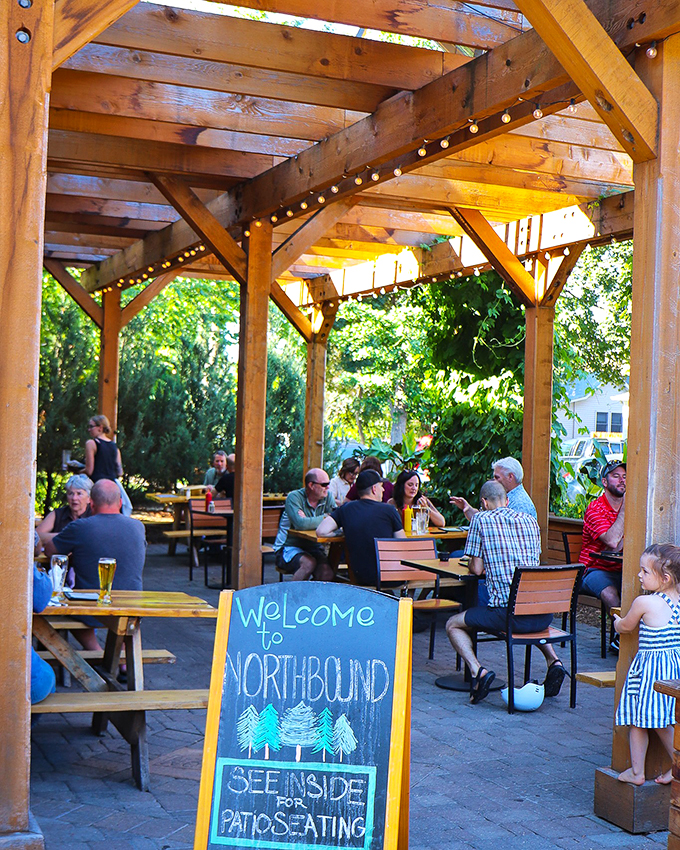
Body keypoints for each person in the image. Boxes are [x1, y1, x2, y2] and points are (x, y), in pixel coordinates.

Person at [444, 480, 565, 704]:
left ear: (483, 503)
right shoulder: (529, 520)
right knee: (527, 607)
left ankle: (477, 671)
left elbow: (477, 569)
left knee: (452, 623)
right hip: (542, 615)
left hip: (509, 617)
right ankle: (554, 661)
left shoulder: (480, 519)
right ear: (507, 501)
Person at [45, 479, 146, 652]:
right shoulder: (138, 526)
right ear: (120, 503)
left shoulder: (79, 527)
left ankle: (96, 652)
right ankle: (120, 658)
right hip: (131, 607)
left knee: (68, 614)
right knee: (123, 622)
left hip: (90, 608)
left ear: (91, 503)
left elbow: (49, 551)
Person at [614, 544, 680, 786]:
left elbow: (626, 626)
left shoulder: (645, 602)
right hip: (674, 668)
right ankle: (671, 768)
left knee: (643, 721)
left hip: (651, 673)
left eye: (645, 572)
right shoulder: (678, 600)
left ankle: (638, 772)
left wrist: (617, 622)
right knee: (666, 719)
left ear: (664, 578)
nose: (639, 575)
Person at [317, 469, 405, 585]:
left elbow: (321, 531)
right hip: (392, 578)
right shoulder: (389, 510)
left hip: (359, 576)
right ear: (374, 489)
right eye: (381, 486)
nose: (383, 490)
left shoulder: (346, 508)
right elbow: (403, 544)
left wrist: (342, 533)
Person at [580, 460, 626, 617]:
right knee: (610, 595)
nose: (622, 480)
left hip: (624, 568)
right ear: (604, 482)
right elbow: (613, 542)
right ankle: (619, 638)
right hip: (594, 569)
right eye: (616, 476)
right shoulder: (595, 509)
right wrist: (626, 510)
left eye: (625, 476)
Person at [273, 468, 336, 581]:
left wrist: (310, 520)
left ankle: (311, 596)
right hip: (287, 547)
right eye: (324, 484)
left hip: (314, 547)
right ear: (311, 485)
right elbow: (301, 524)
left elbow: (336, 520)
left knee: (327, 573)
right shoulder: (294, 497)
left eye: (328, 484)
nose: (328, 487)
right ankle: (292, 597)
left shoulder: (328, 497)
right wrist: (327, 517)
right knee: (309, 564)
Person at [450, 457, 537, 521]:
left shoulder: (519, 505)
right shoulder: (509, 497)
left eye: (497, 477)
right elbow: (489, 522)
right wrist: (468, 509)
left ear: (510, 477)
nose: (494, 482)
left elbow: (496, 531)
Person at [83, 414, 132, 516]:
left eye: (91, 426)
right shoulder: (114, 447)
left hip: (96, 485)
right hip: (112, 487)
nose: (89, 429)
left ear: (100, 428)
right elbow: (120, 471)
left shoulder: (91, 443)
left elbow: (89, 470)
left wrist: (77, 471)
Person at [32, 533, 56, 704]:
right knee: (46, 677)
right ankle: (21, 730)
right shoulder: (10, 545)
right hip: (16, 679)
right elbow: (40, 600)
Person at [36, 474, 93, 545]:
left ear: (89, 499)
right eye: (71, 493)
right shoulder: (58, 514)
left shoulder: (94, 515)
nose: (74, 498)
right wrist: (65, 536)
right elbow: (36, 536)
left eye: (79, 494)